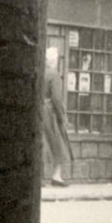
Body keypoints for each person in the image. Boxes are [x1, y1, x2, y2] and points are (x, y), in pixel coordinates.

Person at [42, 47, 73, 187]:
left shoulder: (39, 73)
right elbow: (57, 99)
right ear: (54, 61)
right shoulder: (54, 75)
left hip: (38, 111)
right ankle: (56, 176)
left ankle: (48, 176)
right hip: (50, 113)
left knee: (43, 143)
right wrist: (62, 117)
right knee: (58, 144)